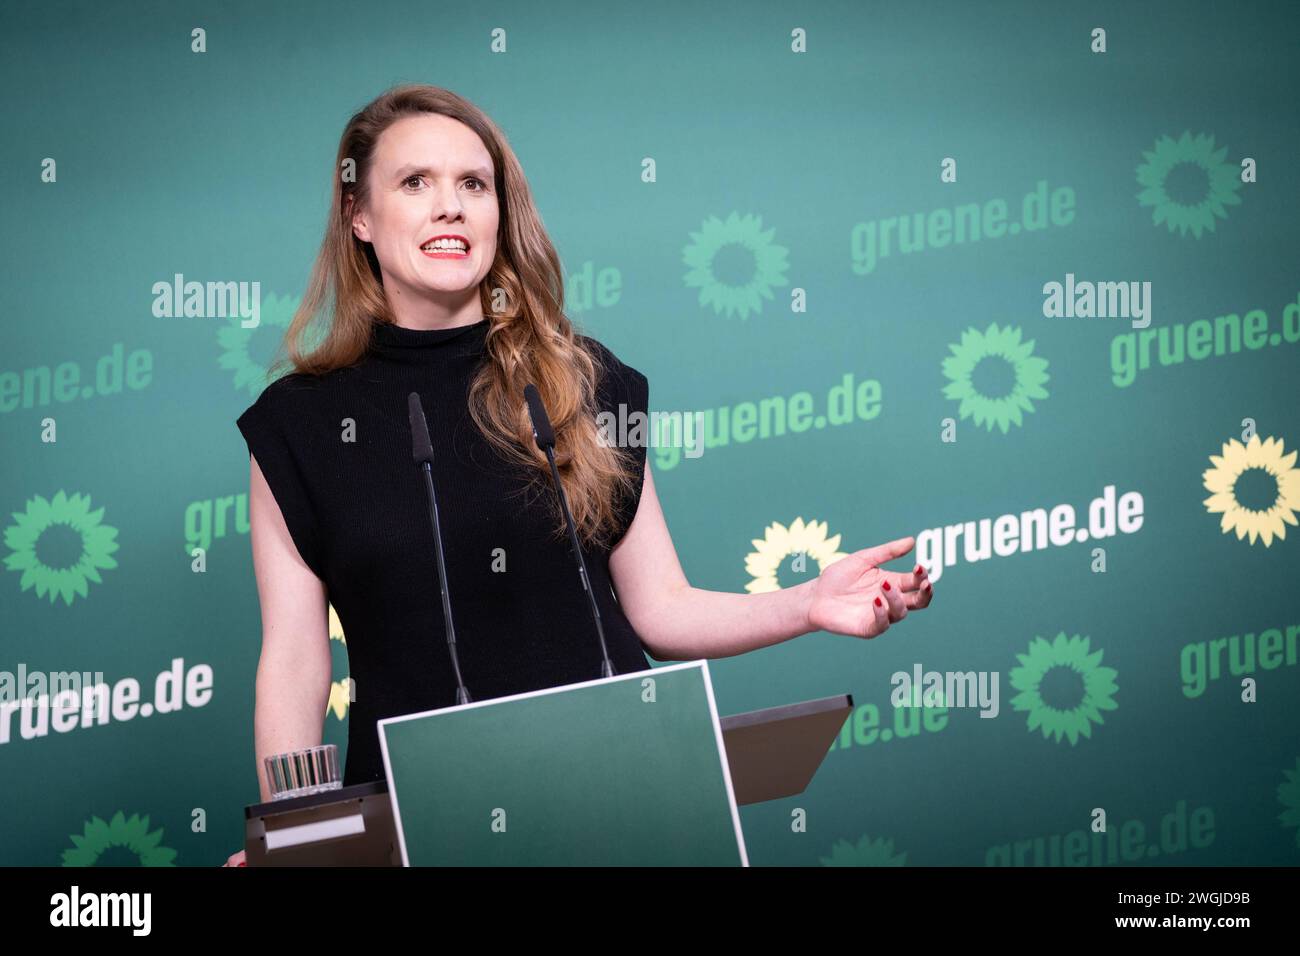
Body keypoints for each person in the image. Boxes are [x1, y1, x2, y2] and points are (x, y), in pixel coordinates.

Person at [222, 84, 932, 866]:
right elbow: (294, 659)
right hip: (422, 831)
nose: (450, 207)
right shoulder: (298, 426)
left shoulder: (585, 385)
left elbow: (659, 609)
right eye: (415, 183)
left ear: (499, 213)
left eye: (474, 184)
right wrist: (297, 839)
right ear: (359, 215)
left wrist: (808, 602)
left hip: (630, 807)